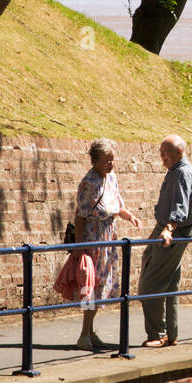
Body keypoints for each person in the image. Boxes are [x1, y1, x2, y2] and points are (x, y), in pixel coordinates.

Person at [55, 138, 138, 350]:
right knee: (91, 286)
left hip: (108, 239)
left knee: (100, 288)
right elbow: (80, 216)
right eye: (106, 161)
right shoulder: (89, 182)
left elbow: (118, 204)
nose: (110, 165)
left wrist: (129, 217)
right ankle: (84, 334)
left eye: (112, 160)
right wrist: (79, 247)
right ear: (94, 161)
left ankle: (90, 332)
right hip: (93, 240)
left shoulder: (111, 178)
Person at [140, 134, 192, 347]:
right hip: (169, 230)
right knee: (170, 283)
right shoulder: (178, 171)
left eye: (166, 153)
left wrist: (167, 229)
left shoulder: (181, 173)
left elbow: (180, 207)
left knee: (149, 285)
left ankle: (158, 334)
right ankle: (170, 334)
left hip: (173, 233)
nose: (162, 157)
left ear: (179, 153)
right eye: (161, 153)